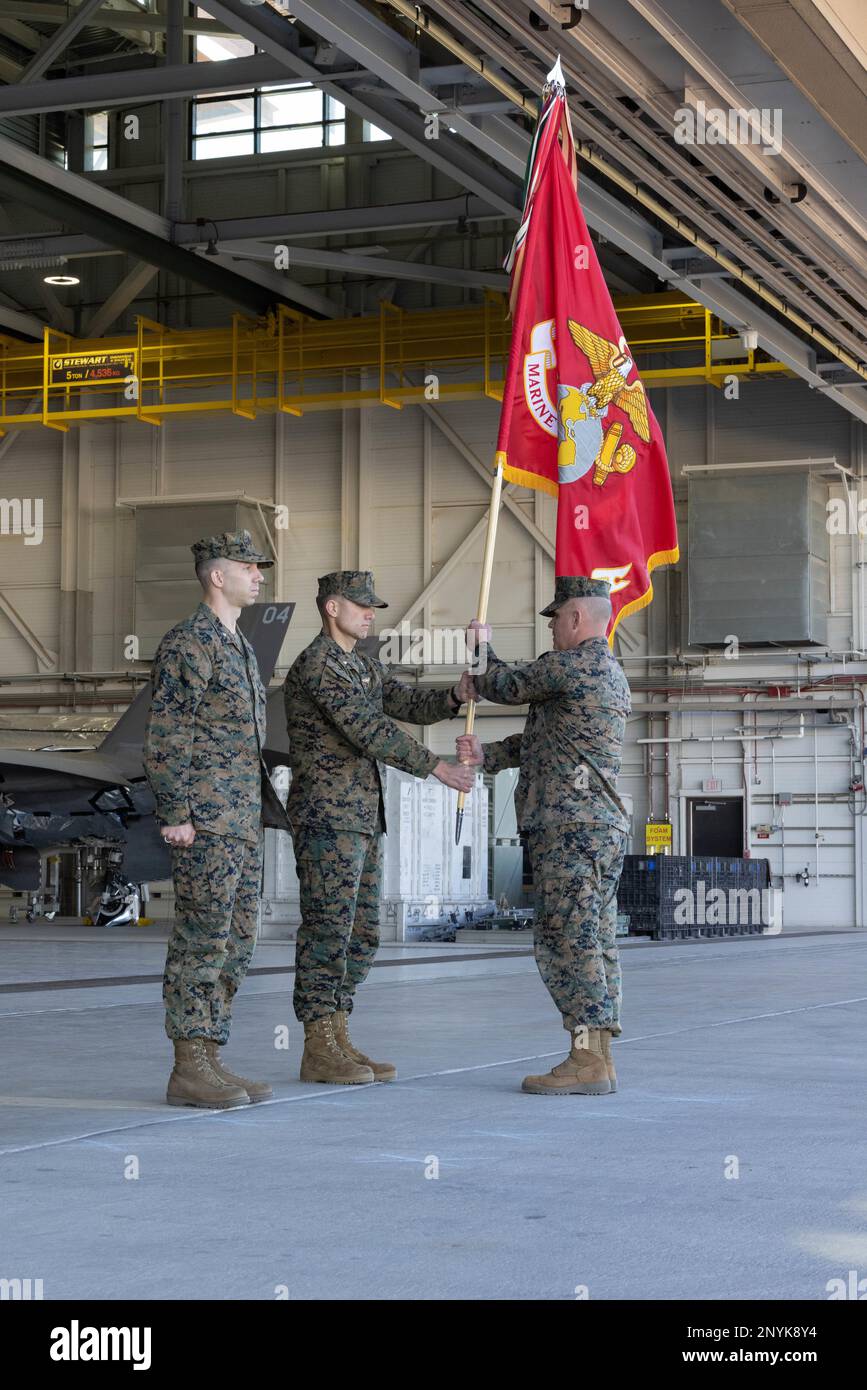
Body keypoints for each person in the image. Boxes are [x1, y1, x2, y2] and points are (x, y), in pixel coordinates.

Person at [283, 570, 475, 1085]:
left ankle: (339, 1031)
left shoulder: (361, 667)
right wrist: (438, 769)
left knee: (361, 931)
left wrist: (455, 696)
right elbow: (368, 729)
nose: (371, 614)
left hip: (362, 817)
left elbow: (407, 703)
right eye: (362, 606)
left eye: (373, 606)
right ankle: (318, 1043)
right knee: (328, 928)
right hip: (327, 816)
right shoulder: (318, 667)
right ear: (331, 607)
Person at [456, 576, 631, 1096]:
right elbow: (546, 741)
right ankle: (597, 1053)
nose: (552, 627)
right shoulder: (604, 673)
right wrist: (490, 755)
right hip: (596, 825)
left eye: (555, 618)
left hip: (569, 828)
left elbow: (506, 685)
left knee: (566, 941)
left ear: (577, 618)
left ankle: (585, 1059)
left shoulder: (573, 664)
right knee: (593, 939)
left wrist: (480, 649)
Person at [144, 530, 288, 1109]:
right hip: (204, 820)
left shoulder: (240, 645)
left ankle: (211, 1054)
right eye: (249, 567)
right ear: (216, 576)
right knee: (201, 939)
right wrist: (176, 812)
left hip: (240, 819)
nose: (259, 576)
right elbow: (166, 735)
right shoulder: (190, 643)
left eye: (261, 568)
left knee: (237, 940)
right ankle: (188, 1065)